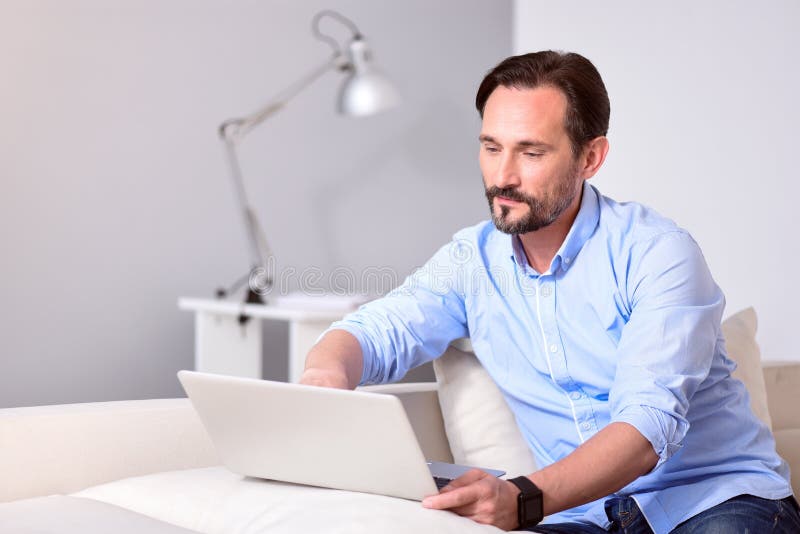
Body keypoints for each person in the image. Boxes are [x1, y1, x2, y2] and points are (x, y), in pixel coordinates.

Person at [299, 51, 800, 533]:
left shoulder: (658, 253)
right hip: (581, 516)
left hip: (710, 500)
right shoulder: (470, 262)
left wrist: (523, 498)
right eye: (491, 147)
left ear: (591, 157)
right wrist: (326, 375)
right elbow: (375, 331)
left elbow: (647, 427)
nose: (503, 176)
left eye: (531, 152)